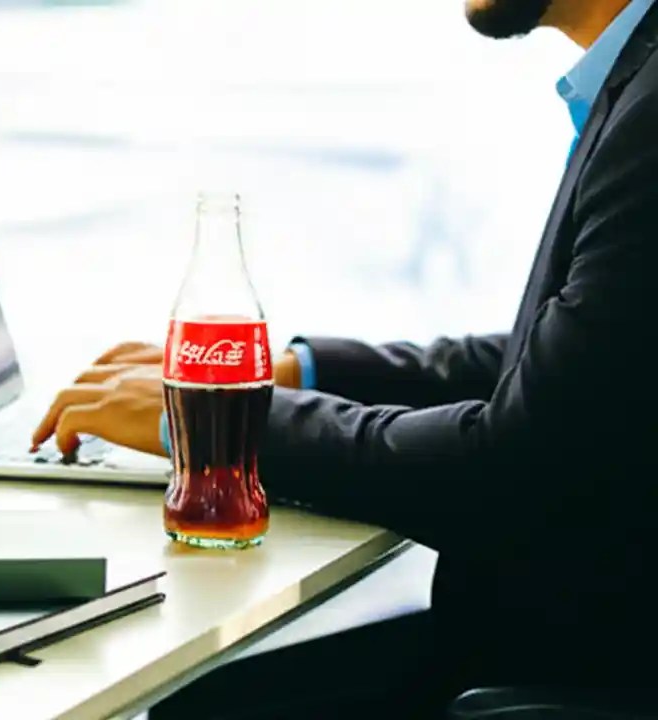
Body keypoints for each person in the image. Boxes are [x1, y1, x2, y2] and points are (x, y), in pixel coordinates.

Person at [32, 0, 658, 717]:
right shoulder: (635, 79)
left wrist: (217, 425)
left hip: (570, 671)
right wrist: (288, 370)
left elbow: (514, 466)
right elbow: (566, 364)